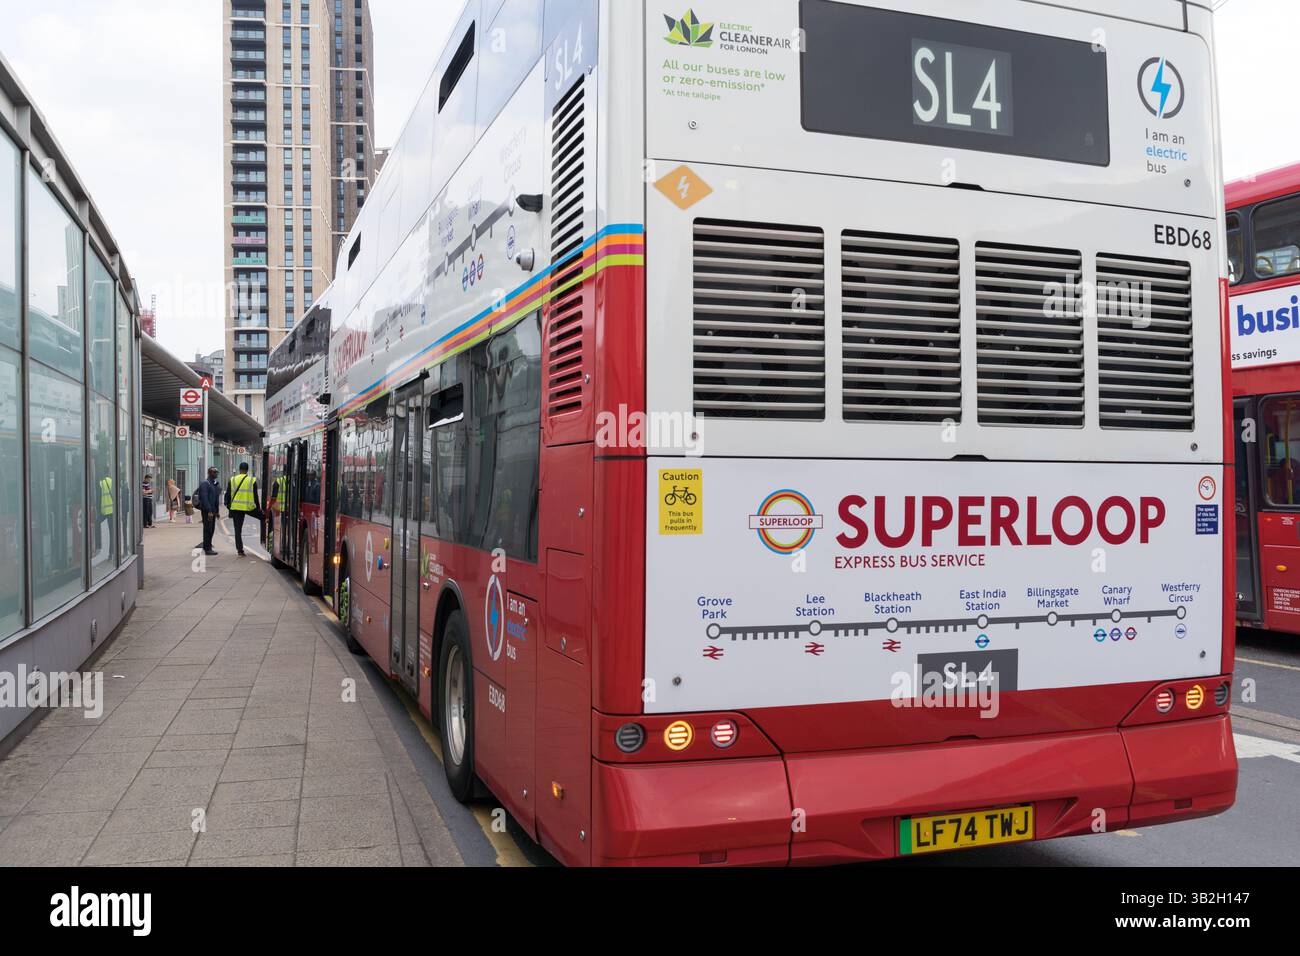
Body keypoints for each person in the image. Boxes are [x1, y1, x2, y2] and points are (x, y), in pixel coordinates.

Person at [225, 463, 260, 557]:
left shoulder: (232, 479)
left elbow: (228, 495)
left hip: (236, 508)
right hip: (249, 508)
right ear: (247, 470)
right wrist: (259, 510)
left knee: (237, 530)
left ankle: (240, 550)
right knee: (264, 518)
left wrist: (229, 507)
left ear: (239, 469)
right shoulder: (251, 480)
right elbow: (255, 497)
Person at [195, 467, 221, 556]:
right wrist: (209, 511)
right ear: (209, 473)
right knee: (208, 529)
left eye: (217, 472)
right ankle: (207, 548)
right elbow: (204, 499)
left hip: (213, 511)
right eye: (214, 472)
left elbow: (216, 499)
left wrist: (217, 511)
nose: (216, 474)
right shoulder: (205, 484)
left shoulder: (215, 484)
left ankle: (208, 545)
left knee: (212, 529)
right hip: (207, 511)